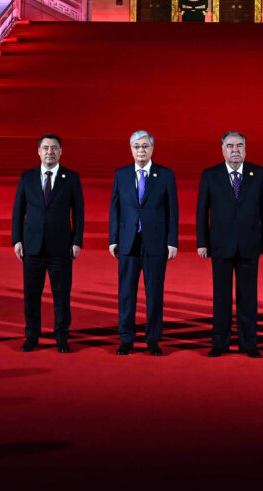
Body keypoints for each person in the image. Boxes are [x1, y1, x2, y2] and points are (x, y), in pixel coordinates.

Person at [196, 131, 263, 358]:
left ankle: (248, 344)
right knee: (221, 298)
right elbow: (202, 211)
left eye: (240, 145)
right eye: (230, 146)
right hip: (220, 245)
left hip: (250, 244)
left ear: (246, 149)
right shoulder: (210, 175)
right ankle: (219, 344)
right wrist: (202, 242)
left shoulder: (258, 173)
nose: (235, 150)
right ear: (222, 150)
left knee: (248, 297)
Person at [109, 130, 178, 356]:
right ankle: (126, 339)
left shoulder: (166, 174)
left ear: (152, 148)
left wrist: (172, 241)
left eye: (145, 146)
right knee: (126, 293)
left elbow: (172, 211)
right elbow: (115, 209)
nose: (141, 150)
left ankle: (153, 339)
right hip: (128, 242)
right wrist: (113, 239)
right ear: (131, 149)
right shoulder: (121, 174)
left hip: (156, 242)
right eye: (137, 146)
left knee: (154, 293)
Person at [12, 133, 83, 353]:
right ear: (39, 151)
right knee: (31, 295)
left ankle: (61, 337)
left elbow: (78, 213)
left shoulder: (71, 178)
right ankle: (32, 336)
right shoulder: (27, 177)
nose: (49, 152)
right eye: (45, 148)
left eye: (54, 148)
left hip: (61, 247)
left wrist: (76, 241)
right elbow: (18, 211)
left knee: (61, 295)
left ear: (61, 151)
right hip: (32, 247)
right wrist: (17, 240)